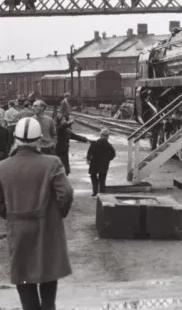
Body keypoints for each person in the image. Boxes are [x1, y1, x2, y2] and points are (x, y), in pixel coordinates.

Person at [0, 117, 74, 310]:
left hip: (18, 229)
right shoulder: (52, 162)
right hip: (47, 227)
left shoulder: (2, 166)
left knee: (23, 274)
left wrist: (9, 215)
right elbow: (66, 193)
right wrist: (58, 214)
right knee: (47, 272)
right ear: (39, 140)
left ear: (16, 139)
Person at [86, 129, 115, 196]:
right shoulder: (108, 145)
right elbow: (113, 153)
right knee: (102, 178)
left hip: (94, 163)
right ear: (108, 136)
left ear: (100, 135)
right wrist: (108, 159)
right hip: (104, 164)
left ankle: (95, 191)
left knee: (93, 176)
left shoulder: (95, 143)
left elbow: (89, 152)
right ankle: (101, 192)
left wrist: (88, 159)